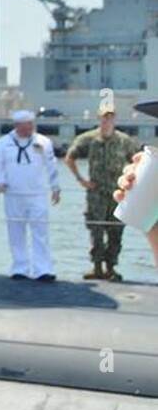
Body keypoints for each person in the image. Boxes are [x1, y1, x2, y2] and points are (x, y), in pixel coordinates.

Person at [66, 104, 142, 281]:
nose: (107, 121)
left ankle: (111, 268)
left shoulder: (124, 141)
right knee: (96, 230)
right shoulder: (89, 139)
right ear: (99, 118)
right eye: (104, 117)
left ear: (115, 119)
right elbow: (70, 157)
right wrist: (81, 180)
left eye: (110, 117)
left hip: (117, 194)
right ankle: (97, 267)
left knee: (116, 231)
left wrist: (131, 184)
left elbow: (137, 162)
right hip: (96, 193)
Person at [0, 109, 60, 281]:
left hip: (37, 194)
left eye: (31, 125)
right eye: (25, 126)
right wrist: (0, 181)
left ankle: (43, 269)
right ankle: (20, 268)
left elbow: (51, 165)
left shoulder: (43, 142)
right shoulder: (3, 143)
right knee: (16, 232)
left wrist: (55, 188)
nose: (29, 129)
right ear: (17, 126)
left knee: (40, 232)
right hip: (13, 194)